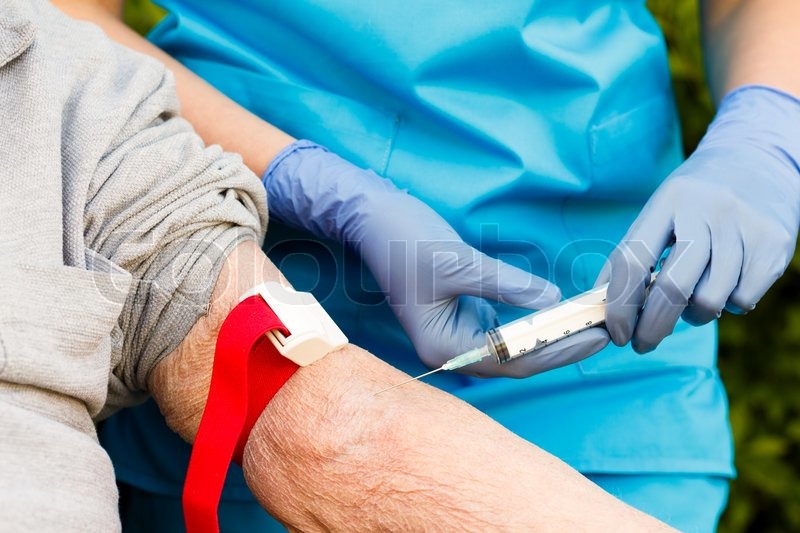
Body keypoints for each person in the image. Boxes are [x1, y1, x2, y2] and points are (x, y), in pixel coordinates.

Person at [55, 1, 800, 531]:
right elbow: (58, 16)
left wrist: (767, 128)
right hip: (268, 332)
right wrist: (301, 178)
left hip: (611, 368)